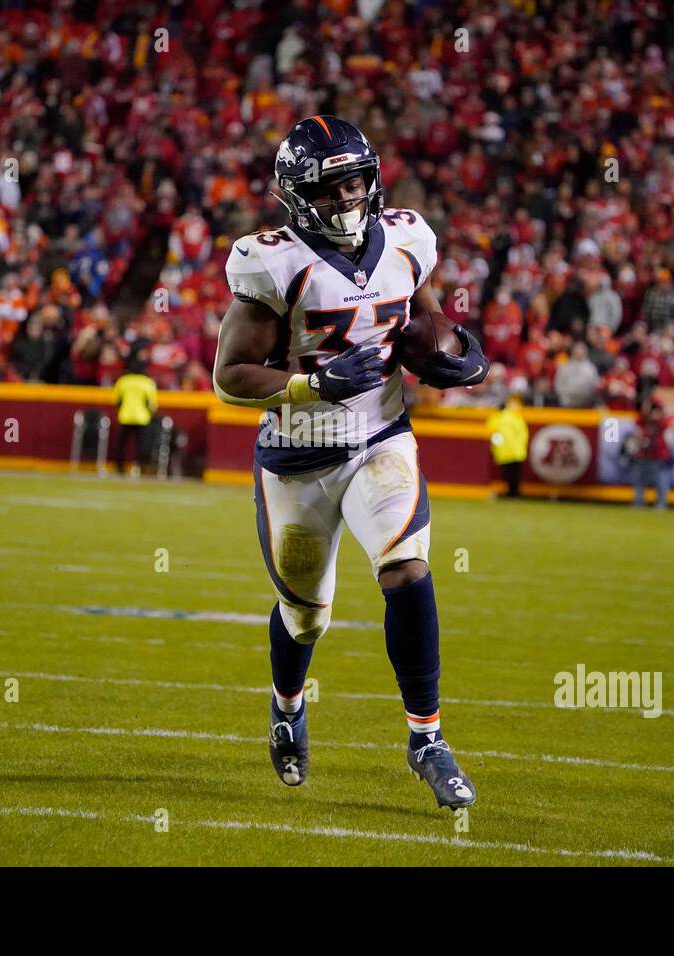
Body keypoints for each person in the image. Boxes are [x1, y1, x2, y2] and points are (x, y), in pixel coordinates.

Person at [213, 116, 488, 809]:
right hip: (298, 455)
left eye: (358, 180)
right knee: (306, 617)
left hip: (379, 438)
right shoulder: (271, 262)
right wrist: (309, 385)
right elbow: (230, 374)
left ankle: (426, 737)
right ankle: (286, 705)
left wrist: (449, 354)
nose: (349, 197)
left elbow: (422, 320)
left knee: (406, 566)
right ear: (299, 194)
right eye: (333, 187)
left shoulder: (406, 238)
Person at [111, 353, 157, 477]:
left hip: (125, 415)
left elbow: (117, 400)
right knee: (141, 445)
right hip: (142, 417)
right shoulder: (147, 382)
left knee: (121, 444)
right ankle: (138, 467)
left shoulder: (123, 381)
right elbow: (151, 403)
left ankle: (119, 467)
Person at [630, 396, 674, 508]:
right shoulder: (644, 418)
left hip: (658, 453)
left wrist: (658, 416)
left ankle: (661, 502)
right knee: (640, 479)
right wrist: (646, 411)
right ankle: (638, 501)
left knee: (660, 480)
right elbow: (637, 423)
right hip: (644, 452)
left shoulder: (664, 419)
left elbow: (668, 426)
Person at [487, 393, 529, 497]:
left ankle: (514, 492)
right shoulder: (504, 416)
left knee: (514, 473)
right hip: (508, 449)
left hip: (514, 449)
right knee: (509, 473)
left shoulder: (514, 416)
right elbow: (491, 427)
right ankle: (512, 492)